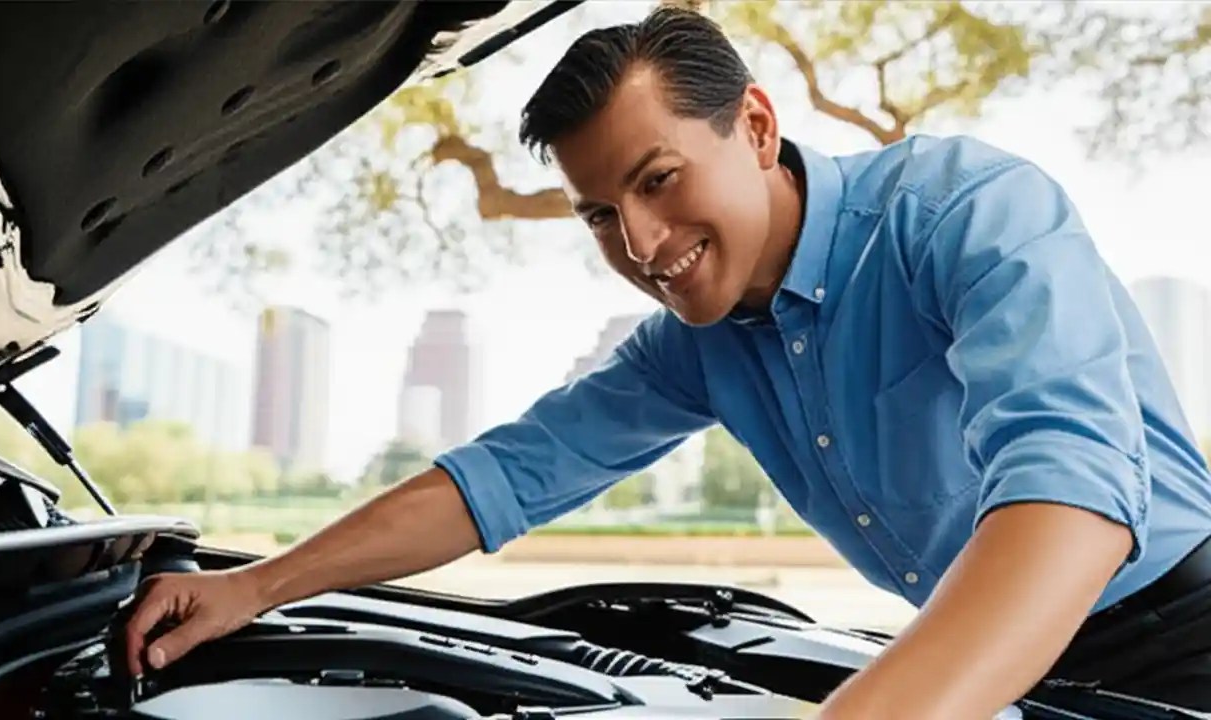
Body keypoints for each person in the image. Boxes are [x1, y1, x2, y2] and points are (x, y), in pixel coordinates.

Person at [123, 7, 1211, 718]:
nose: (638, 247)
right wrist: (253, 586)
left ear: (751, 123)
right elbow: (505, 474)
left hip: (1180, 641)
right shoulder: (692, 349)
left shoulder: (962, 211)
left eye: (655, 180)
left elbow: (1067, 485)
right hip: (997, 665)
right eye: (600, 214)